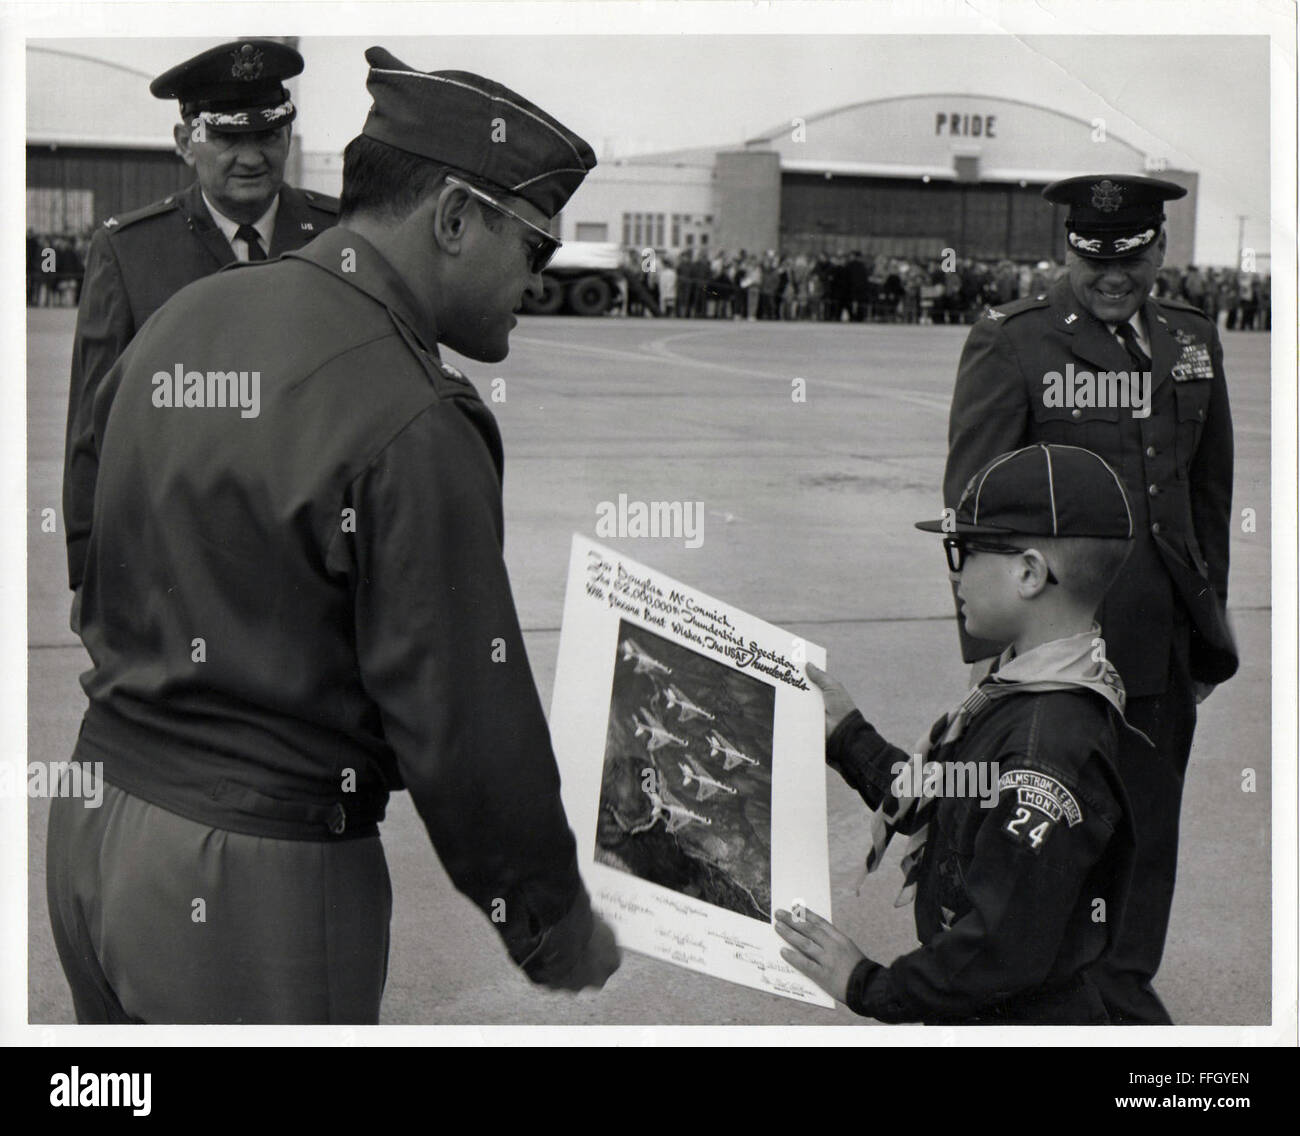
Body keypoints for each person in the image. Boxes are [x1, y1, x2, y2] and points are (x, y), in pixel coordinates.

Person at [47, 44, 620, 1025]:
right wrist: (550, 917)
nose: (536, 279)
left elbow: (101, 537)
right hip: (249, 881)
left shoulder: (186, 317)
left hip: (92, 828)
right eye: (534, 246)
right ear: (450, 217)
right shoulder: (409, 414)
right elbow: (464, 717)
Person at [942, 174, 1237, 1024]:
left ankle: (1124, 988)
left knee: (1148, 834)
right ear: (1068, 249)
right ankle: (1057, 991)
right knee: (1055, 837)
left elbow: (1206, 497)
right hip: (1059, 647)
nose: (1113, 276)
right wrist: (993, 654)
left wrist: (1207, 629)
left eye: (1132, 258)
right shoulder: (1014, 341)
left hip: (1161, 643)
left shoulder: (1191, 339)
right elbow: (976, 507)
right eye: (1092, 257)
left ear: (1159, 250)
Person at [776, 444, 1141, 1023]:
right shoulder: (1029, 681)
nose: (954, 570)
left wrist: (869, 985)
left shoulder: (1043, 752)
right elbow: (955, 798)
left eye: (965, 550)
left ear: (1028, 572)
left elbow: (997, 948)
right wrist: (847, 736)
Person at [63, 39, 339, 601]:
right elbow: (95, 428)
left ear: (288, 135)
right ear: (187, 142)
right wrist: (90, 573)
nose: (251, 156)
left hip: (316, 565)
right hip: (180, 568)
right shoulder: (129, 252)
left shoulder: (339, 238)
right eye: (229, 137)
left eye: (267, 134)